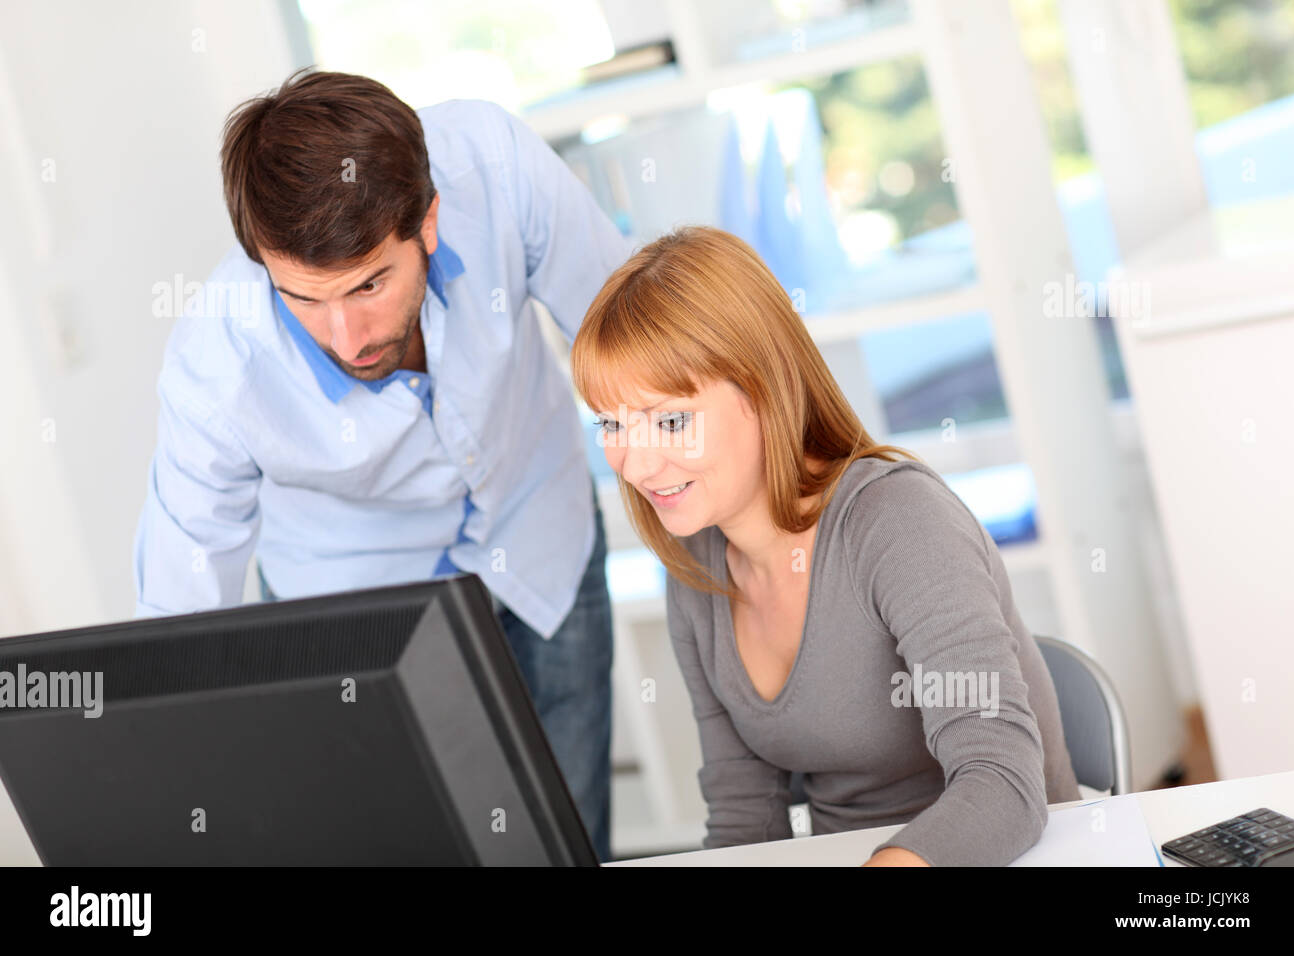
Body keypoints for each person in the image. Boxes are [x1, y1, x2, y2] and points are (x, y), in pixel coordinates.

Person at [132, 69, 632, 861]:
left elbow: (637, 339)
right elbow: (180, 621)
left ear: (427, 222)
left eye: (370, 283)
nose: (346, 335)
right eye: (305, 297)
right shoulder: (217, 365)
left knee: (567, 841)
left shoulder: (495, 169)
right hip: (359, 617)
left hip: (540, 534)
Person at [570, 225, 1081, 866]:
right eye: (611, 425)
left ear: (762, 387)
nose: (637, 467)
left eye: (670, 419)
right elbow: (744, 815)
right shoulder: (694, 564)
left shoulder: (898, 523)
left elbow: (1003, 783)